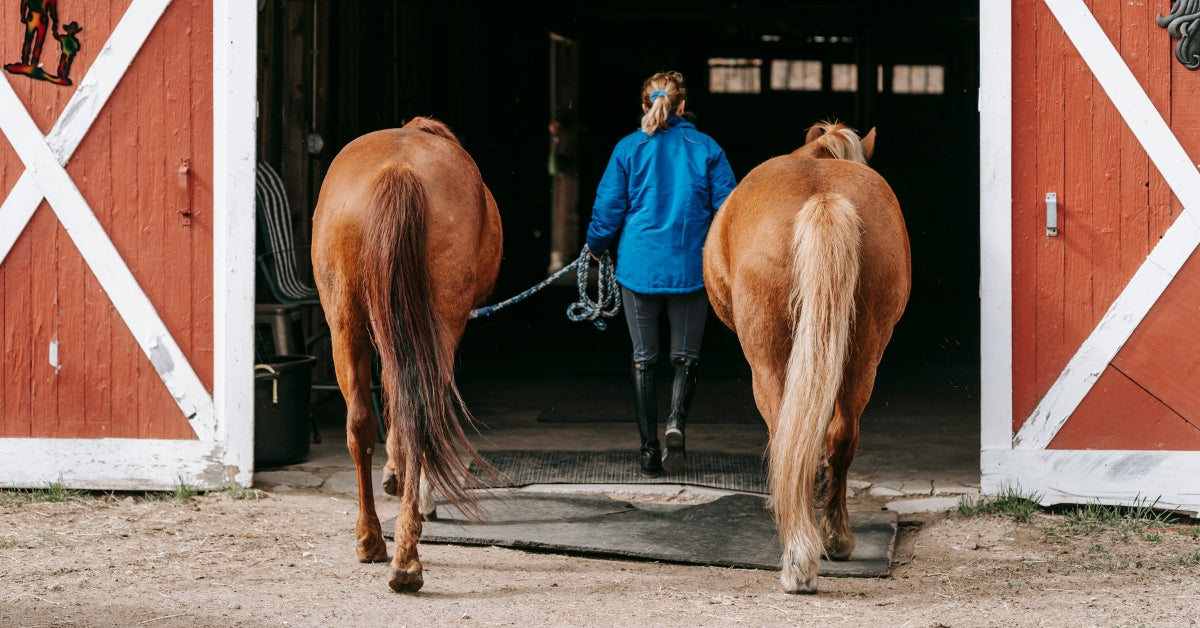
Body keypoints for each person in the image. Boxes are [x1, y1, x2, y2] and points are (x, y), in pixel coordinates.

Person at [586, 71, 736, 477]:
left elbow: (608, 209)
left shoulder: (628, 148)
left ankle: (649, 453)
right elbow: (728, 211)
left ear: (644, 105)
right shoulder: (707, 148)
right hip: (691, 266)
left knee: (643, 361)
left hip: (639, 266)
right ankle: (675, 423)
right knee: (685, 357)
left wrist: (596, 247)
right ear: (683, 106)